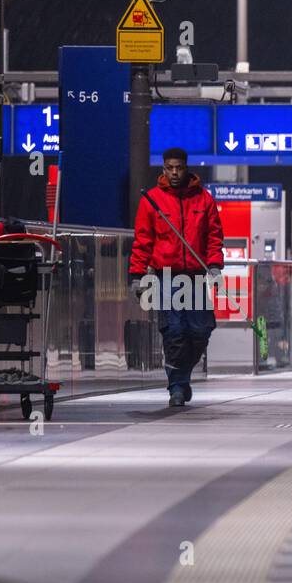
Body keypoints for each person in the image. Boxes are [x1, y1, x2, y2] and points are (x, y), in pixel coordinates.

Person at [128, 146, 224, 407]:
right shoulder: (152, 200)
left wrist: (214, 266)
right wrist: (137, 276)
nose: (174, 172)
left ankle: (183, 376)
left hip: (195, 277)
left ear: (186, 167)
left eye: (178, 168)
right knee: (175, 332)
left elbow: (214, 237)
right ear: (163, 169)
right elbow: (143, 241)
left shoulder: (204, 200)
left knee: (200, 331)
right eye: (169, 168)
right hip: (165, 276)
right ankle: (177, 387)